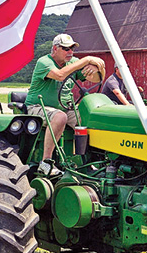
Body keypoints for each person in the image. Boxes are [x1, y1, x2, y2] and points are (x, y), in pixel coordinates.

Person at [24, 33, 105, 175]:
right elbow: (60, 75)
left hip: (65, 107)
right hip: (36, 107)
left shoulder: (73, 62)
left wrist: (98, 68)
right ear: (55, 49)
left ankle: (90, 161)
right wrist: (87, 60)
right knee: (60, 117)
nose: (70, 52)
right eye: (66, 49)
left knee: (88, 119)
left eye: (72, 49)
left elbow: (96, 79)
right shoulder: (44, 62)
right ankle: (46, 163)